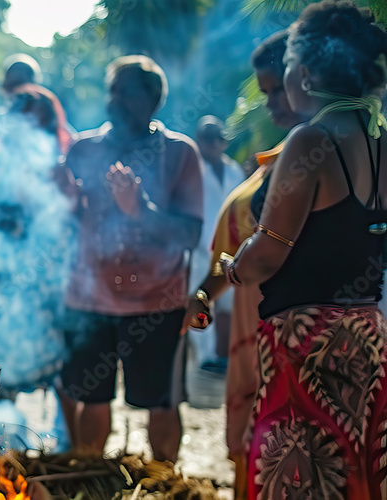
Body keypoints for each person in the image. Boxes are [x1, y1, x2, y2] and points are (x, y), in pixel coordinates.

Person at [222, 2, 387, 497]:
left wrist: (235, 268)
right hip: (367, 333)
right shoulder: (380, 141)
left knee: (300, 479)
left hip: (307, 342)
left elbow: (268, 253)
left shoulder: (309, 141)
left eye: (290, 64)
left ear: (307, 74)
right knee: (354, 469)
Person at [53, 55, 203, 462]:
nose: (115, 101)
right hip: (89, 300)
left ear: (153, 101)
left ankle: (164, 480)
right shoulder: (84, 150)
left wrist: (140, 209)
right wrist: (63, 201)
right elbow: (66, 225)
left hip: (157, 302)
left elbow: (190, 234)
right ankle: (90, 477)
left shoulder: (180, 153)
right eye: (112, 91)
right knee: (91, 397)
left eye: (128, 93)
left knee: (162, 403)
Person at [182, 30, 309, 500]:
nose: (272, 103)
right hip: (255, 336)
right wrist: (202, 296)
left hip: (302, 337)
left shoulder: (331, 162)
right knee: (256, 450)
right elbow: (232, 253)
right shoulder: (269, 169)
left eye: (279, 89)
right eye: (266, 91)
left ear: (307, 79)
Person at [189, 115, 245, 372]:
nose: (212, 144)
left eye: (217, 138)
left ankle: (226, 354)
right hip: (200, 248)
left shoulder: (234, 170)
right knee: (201, 299)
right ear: (199, 140)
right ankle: (206, 357)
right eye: (207, 138)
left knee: (229, 302)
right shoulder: (192, 169)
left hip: (229, 247)